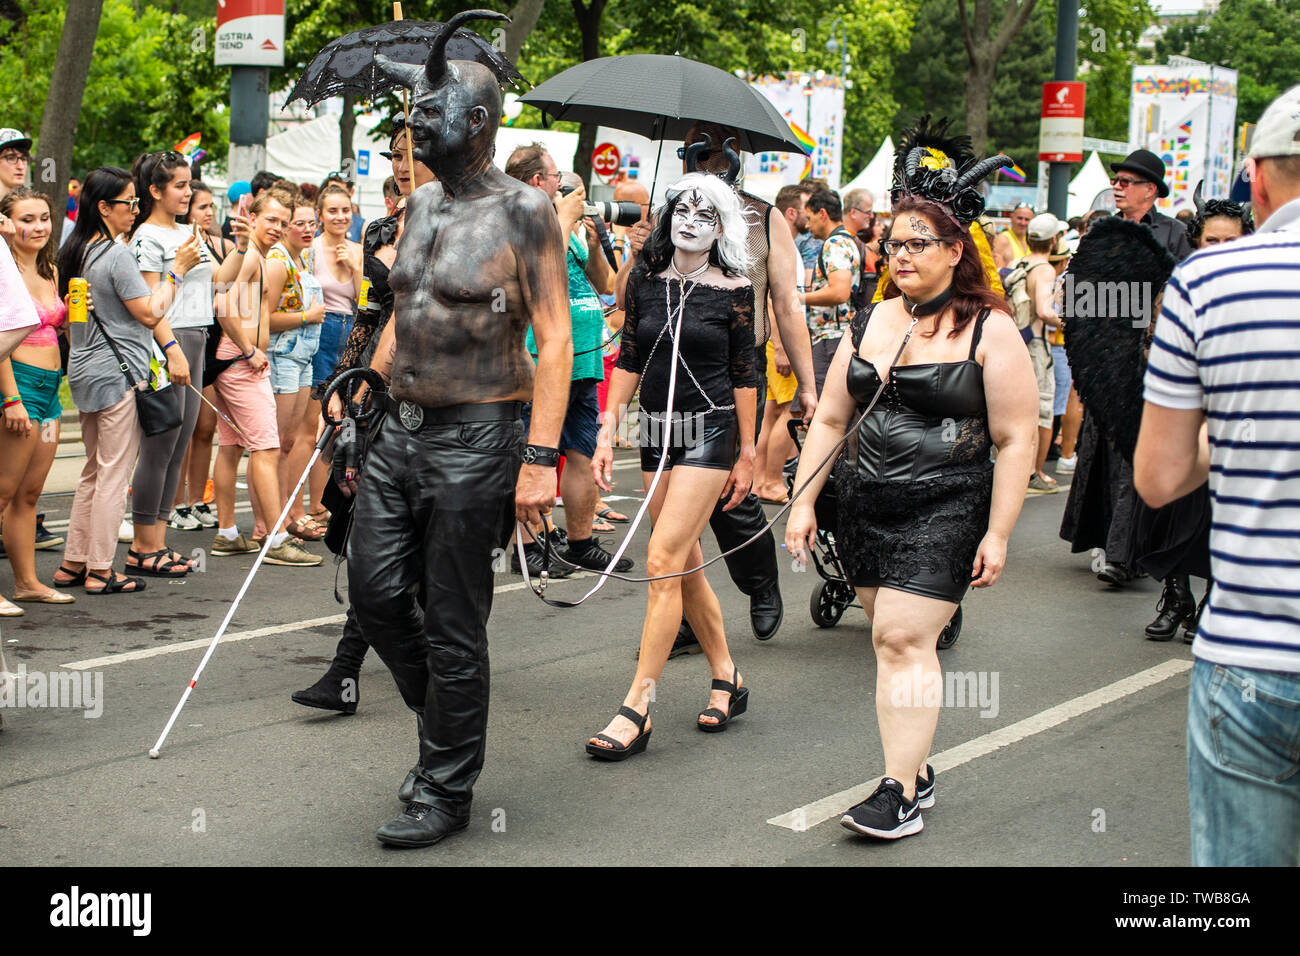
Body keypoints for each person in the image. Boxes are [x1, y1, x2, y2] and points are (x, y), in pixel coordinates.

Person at [347, 16, 572, 848]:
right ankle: (443, 722)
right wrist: (366, 386)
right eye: (413, 109)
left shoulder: (527, 212)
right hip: (395, 431)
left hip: (478, 437)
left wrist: (541, 460)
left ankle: (445, 787)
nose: (414, 121)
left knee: (451, 620)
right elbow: (406, 311)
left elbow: (555, 339)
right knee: (373, 594)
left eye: (430, 109)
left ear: (477, 121)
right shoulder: (419, 200)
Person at [786, 130, 1037, 840]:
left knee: (901, 637)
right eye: (893, 243)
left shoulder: (991, 330)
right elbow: (832, 418)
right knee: (886, 636)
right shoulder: (872, 320)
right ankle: (915, 765)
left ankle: (897, 793)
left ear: (956, 251)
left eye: (917, 243)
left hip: (947, 505)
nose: (899, 255)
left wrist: (998, 531)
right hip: (863, 505)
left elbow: (1020, 438)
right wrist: (804, 501)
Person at [1133, 83, 1300, 865]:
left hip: (1254, 653)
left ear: (1258, 181)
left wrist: (1238, 440)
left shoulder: (1209, 281)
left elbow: (1160, 479)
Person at [588, 173, 757, 758]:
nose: (689, 221)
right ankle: (728, 676)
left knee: (661, 560)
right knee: (684, 565)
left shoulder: (735, 288)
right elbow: (631, 354)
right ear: (667, 217)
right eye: (681, 210)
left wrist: (750, 451)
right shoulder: (644, 280)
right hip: (655, 430)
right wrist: (610, 426)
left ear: (721, 227)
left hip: (710, 431)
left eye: (705, 214)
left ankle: (638, 704)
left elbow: (745, 372)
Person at [291, 115, 437, 716]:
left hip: (427, 390)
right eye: (394, 155)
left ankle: (378, 665)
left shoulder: (453, 221)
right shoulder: (379, 226)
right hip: (372, 387)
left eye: (412, 154)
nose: (401, 165)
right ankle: (356, 667)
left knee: (408, 535)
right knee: (364, 520)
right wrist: (343, 381)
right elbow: (368, 314)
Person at [52, 166, 198, 594]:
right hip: (117, 376)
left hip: (83, 370)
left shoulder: (75, 251)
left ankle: (74, 564)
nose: (134, 211)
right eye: (128, 203)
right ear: (103, 207)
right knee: (114, 474)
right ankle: (100, 569)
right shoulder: (115, 255)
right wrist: (178, 272)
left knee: (94, 471)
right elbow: (151, 312)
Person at [1061, 147, 1193, 588]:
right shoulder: (1102, 232)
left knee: (1135, 458)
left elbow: (1181, 294)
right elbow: (1081, 296)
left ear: (1150, 190)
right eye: (1115, 180)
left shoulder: (1173, 234)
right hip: (1106, 361)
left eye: (1126, 182)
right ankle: (1109, 542)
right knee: (1101, 457)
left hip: (1152, 362)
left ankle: (1125, 553)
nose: (1116, 186)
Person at [504, 145, 629, 576]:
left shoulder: (570, 225)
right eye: (556, 176)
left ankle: (580, 542)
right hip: (544, 361)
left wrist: (594, 244)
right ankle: (530, 545)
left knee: (580, 454)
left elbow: (606, 282)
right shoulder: (521, 218)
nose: (563, 184)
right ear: (537, 181)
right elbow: (537, 269)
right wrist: (563, 221)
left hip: (586, 358)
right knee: (535, 454)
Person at [207, 185, 321, 566]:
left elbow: (221, 291)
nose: (278, 227)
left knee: (231, 446)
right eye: (271, 219)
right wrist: (249, 349)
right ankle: (275, 539)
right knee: (267, 448)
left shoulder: (250, 253)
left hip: (230, 359)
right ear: (252, 217)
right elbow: (223, 304)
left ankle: (226, 534)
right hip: (240, 362)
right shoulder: (256, 256)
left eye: (283, 222)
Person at [123, 151, 209, 578]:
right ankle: (141, 544)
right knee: (159, 444)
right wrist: (171, 348)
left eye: (189, 184)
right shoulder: (146, 237)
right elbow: (150, 306)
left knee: (180, 445)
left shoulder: (187, 231)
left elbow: (215, 283)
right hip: (166, 340)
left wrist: (250, 247)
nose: (187, 192)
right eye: (179, 185)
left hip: (197, 336)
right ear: (154, 190)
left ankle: (157, 540)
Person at [0, 188, 73, 613]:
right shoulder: (3, 269)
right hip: (19, 384)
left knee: (30, 494)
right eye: (27, 219)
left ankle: (27, 582)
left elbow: (54, 328)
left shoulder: (49, 270)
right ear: (6, 223)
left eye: (45, 217)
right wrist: (11, 399)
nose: (39, 227)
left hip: (50, 389)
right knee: (3, 492)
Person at [169, 181, 234, 530]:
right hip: (180, 334)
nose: (210, 212)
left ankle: (197, 499)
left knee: (205, 427)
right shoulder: (177, 241)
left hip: (209, 337)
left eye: (211, 206)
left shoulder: (218, 244)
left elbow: (227, 285)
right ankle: (175, 502)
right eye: (202, 206)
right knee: (181, 426)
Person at [263, 196, 325, 538]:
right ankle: (275, 521)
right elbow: (265, 318)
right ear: (285, 226)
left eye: (310, 223)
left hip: (303, 359)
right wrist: (306, 316)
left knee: (289, 441)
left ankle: (289, 512)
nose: (305, 229)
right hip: (282, 357)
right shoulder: (277, 262)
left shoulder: (304, 259)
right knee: (276, 443)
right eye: (297, 223)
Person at [299, 182, 361, 527]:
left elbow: (366, 298)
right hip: (320, 332)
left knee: (344, 423)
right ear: (320, 215)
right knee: (317, 425)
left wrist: (354, 265)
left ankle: (328, 504)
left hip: (352, 330)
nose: (340, 216)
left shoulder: (357, 249)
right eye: (332, 211)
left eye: (345, 210)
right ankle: (313, 507)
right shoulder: (312, 250)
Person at [752, 184, 807, 503]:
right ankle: (771, 480)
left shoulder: (780, 240)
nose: (809, 215)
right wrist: (785, 348)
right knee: (789, 410)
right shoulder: (779, 240)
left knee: (772, 412)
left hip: (773, 340)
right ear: (790, 212)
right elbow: (775, 297)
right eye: (804, 208)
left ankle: (760, 479)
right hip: (778, 341)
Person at [1014, 212, 1068, 494]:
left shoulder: (1018, 262)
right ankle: (1034, 473)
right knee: (1041, 409)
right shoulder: (1044, 269)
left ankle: (1013, 470)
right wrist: (1069, 323)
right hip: (1035, 345)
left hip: (1014, 344)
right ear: (1054, 240)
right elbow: (1044, 311)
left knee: (1015, 411)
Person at [800, 188, 860, 395]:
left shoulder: (835, 243)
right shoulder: (845, 240)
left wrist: (798, 298)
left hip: (832, 337)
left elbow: (839, 292)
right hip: (833, 337)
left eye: (809, 218)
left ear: (822, 214)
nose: (807, 225)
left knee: (820, 407)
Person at [992, 201, 1033, 269]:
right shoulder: (1002, 239)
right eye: (1020, 218)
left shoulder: (1031, 240)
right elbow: (995, 270)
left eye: (1027, 219)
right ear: (1011, 218)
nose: (1023, 223)